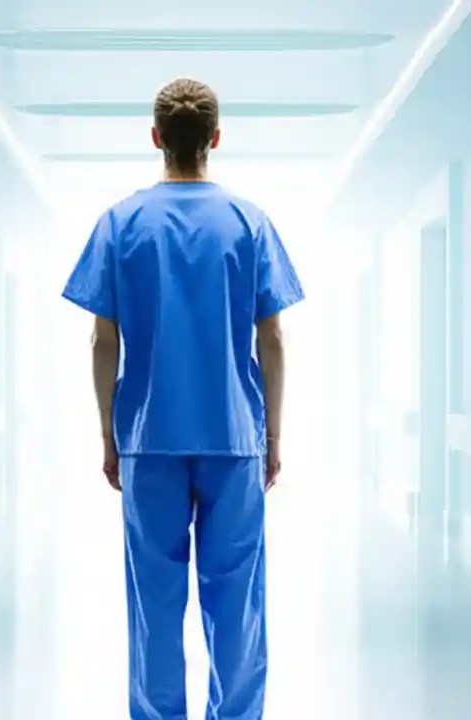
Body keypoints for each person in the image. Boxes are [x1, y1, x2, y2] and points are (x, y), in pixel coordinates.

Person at [61, 78, 304, 720]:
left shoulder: (120, 223)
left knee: (155, 605)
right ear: (215, 139)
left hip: (149, 438)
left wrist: (110, 436)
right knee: (237, 604)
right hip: (232, 438)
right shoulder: (251, 223)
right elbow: (272, 337)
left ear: (156, 138)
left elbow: (100, 340)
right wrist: (272, 436)